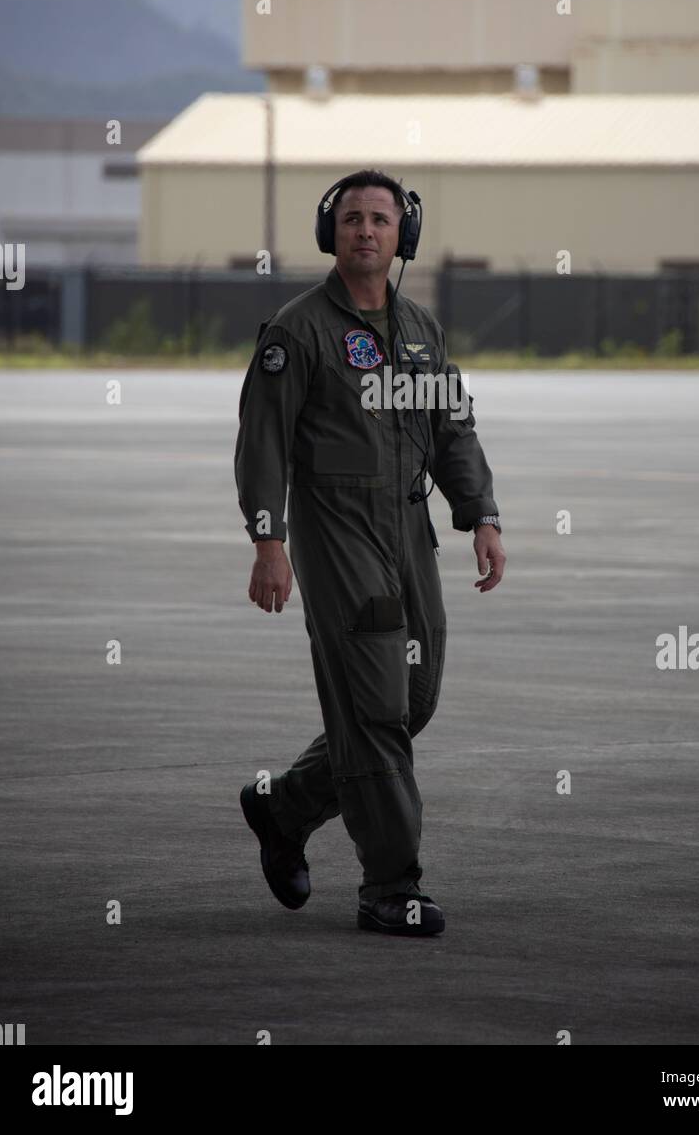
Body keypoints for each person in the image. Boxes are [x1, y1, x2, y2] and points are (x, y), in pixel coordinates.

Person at [235, 168, 505, 937]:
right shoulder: (299, 331)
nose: (365, 231)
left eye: (380, 220)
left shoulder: (422, 332)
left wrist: (480, 513)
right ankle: (391, 885)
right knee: (378, 707)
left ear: (402, 235)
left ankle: (283, 807)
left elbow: (453, 429)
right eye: (351, 218)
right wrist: (268, 539)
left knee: (410, 701)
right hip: (337, 533)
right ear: (332, 232)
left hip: (409, 531)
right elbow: (261, 443)